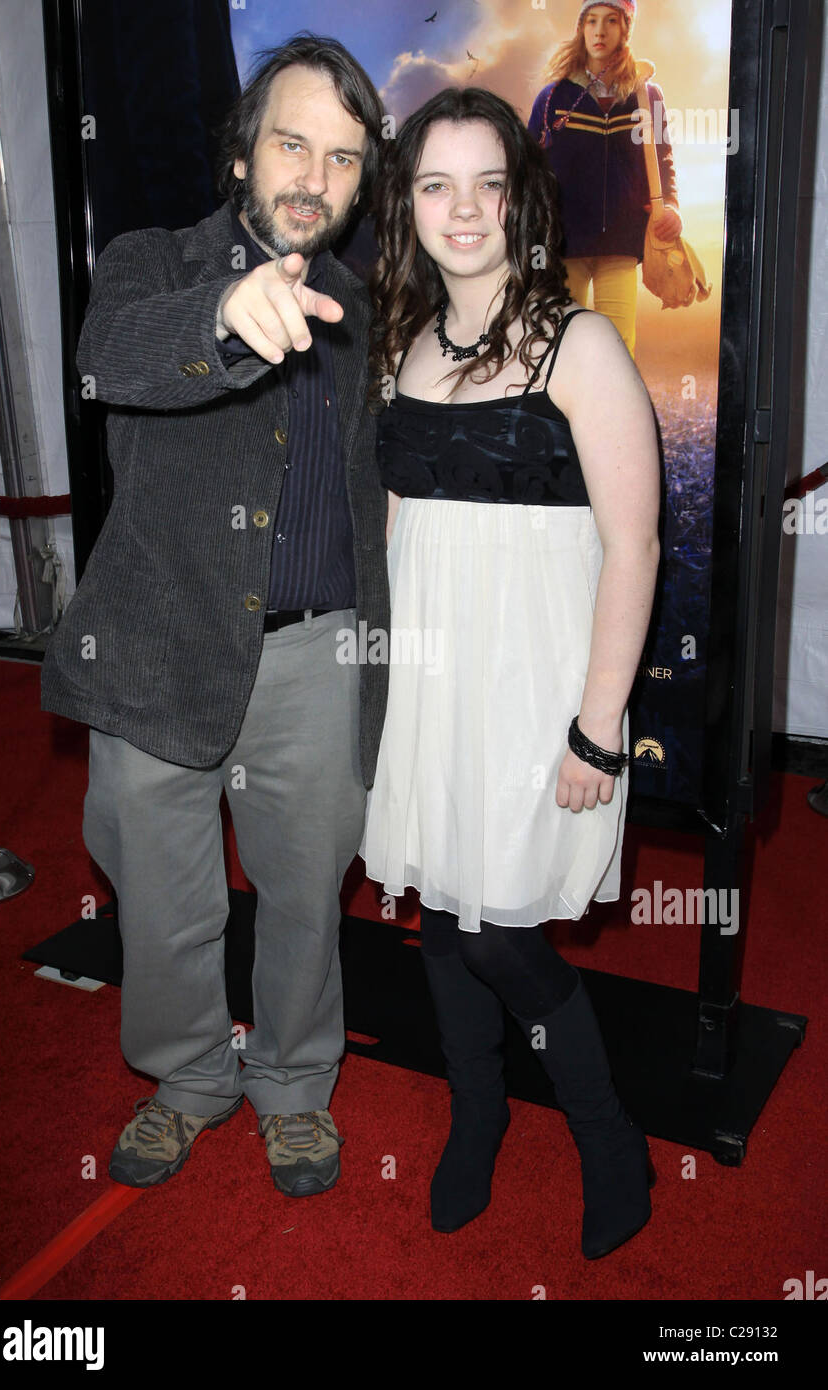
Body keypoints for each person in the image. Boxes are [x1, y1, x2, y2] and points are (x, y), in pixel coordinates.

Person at [40, 35, 390, 1198]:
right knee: (164, 897)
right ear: (242, 151)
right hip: (157, 644)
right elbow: (109, 357)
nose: (312, 178)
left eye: (341, 160)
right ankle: (187, 1076)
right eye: (291, 144)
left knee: (303, 895)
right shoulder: (153, 265)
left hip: (312, 652)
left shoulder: (363, 305)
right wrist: (224, 318)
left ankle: (293, 1084)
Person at [360, 85, 662, 1258]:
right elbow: (396, 534)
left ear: (520, 201)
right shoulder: (405, 344)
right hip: (432, 689)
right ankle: (473, 1118)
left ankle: (607, 1137)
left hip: (538, 690)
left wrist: (596, 728)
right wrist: (379, 690)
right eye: (434, 184)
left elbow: (633, 545)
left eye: (486, 182)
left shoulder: (579, 342)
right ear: (408, 207)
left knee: (498, 933)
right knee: (442, 913)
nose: (461, 208)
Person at [528, 0, 682, 358]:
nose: (600, 31)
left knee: (617, 345)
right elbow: (527, 167)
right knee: (558, 342)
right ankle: (557, 413)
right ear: (581, 28)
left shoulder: (647, 96)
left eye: (611, 21)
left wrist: (672, 206)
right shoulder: (552, 97)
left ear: (625, 28)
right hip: (563, 242)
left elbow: (663, 159)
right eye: (592, 21)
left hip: (622, 240)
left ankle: (610, 413)